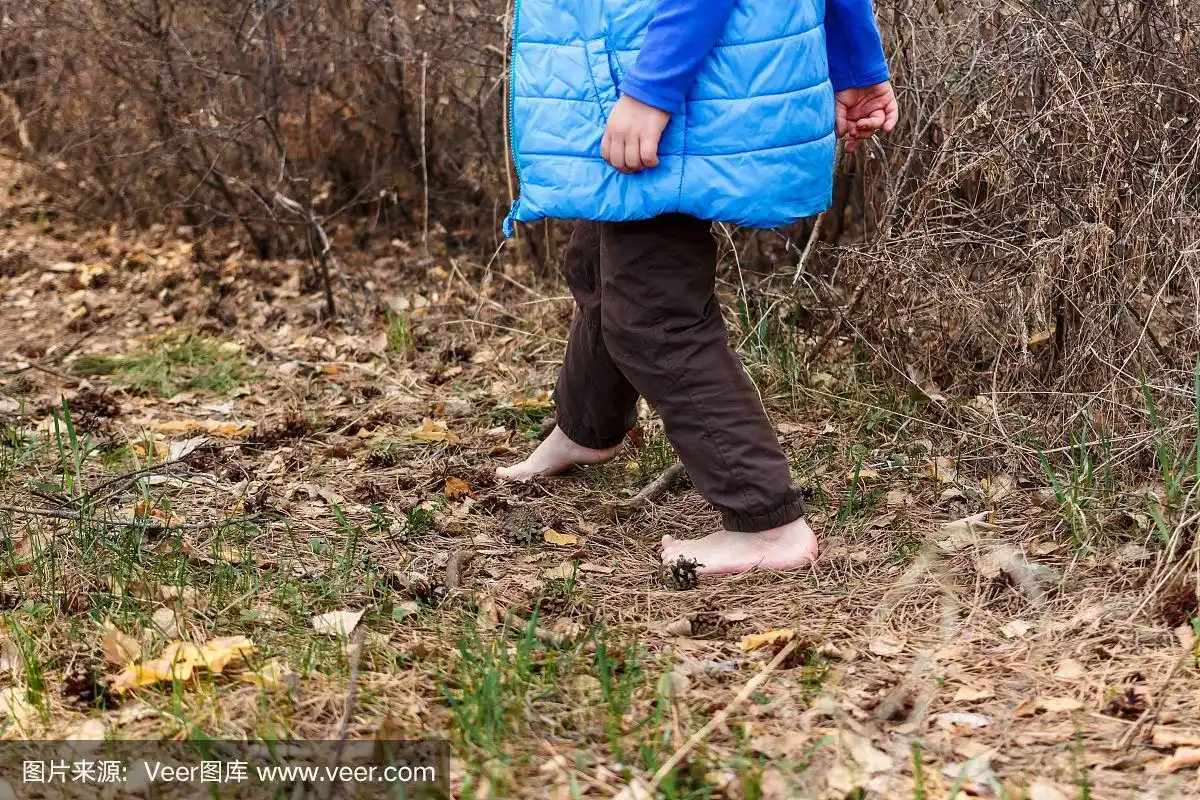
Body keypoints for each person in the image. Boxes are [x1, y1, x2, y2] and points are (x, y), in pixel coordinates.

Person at [497, 0, 898, 575]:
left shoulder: (654, 89)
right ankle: (588, 426)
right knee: (598, 262)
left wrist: (649, 93)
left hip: (670, 82)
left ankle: (768, 523)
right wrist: (856, 61)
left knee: (653, 311)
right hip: (657, 70)